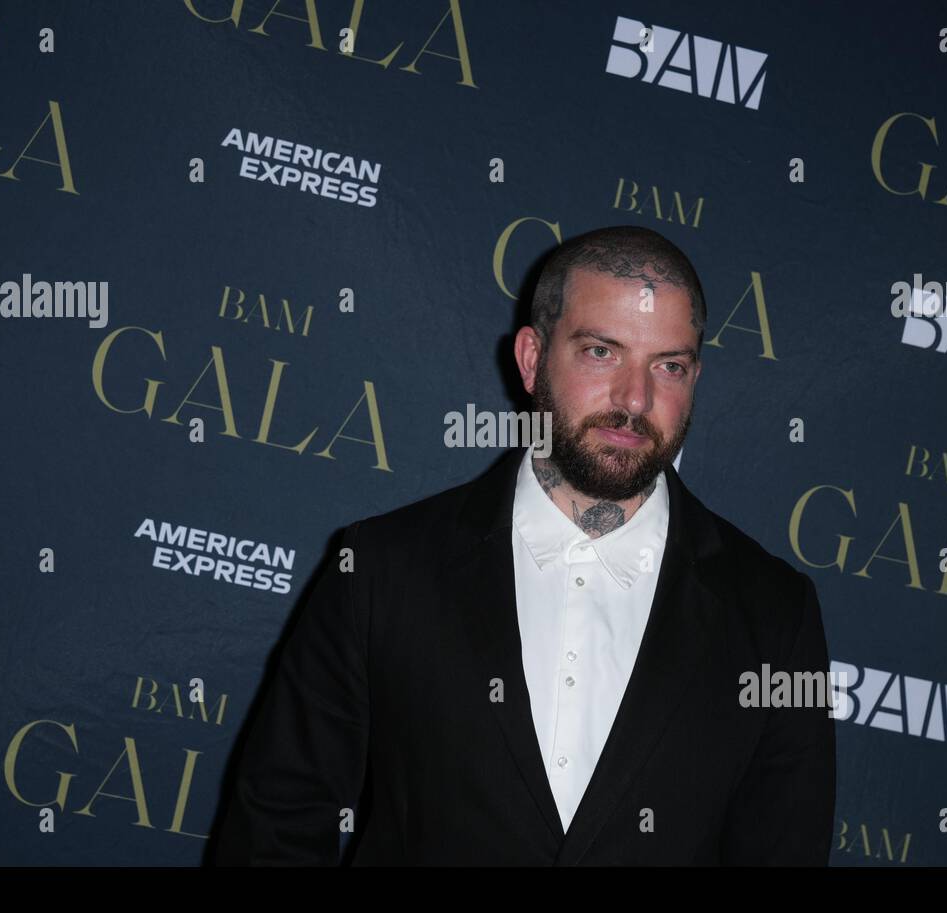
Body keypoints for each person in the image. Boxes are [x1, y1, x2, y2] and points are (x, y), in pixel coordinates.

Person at [213, 225, 836, 865]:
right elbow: (274, 829)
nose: (634, 399)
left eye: (668, 366)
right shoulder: (380, 568)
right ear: (533, 358)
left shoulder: (775, 615)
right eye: (601, 352)